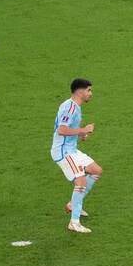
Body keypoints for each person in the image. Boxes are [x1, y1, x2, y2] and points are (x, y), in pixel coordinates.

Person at [51, 78, 103, 234]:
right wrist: (83, 130)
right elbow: (61, 130)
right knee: (80, 181)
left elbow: (69, 129)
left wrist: (81, 134)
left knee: (96, 170)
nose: (91, 94)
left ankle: (74, 204)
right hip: (63, 151)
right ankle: (74, 222)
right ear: (80, 91)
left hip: (72, 149)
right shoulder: (70, 108)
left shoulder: (75, 107)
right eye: (89, 90)